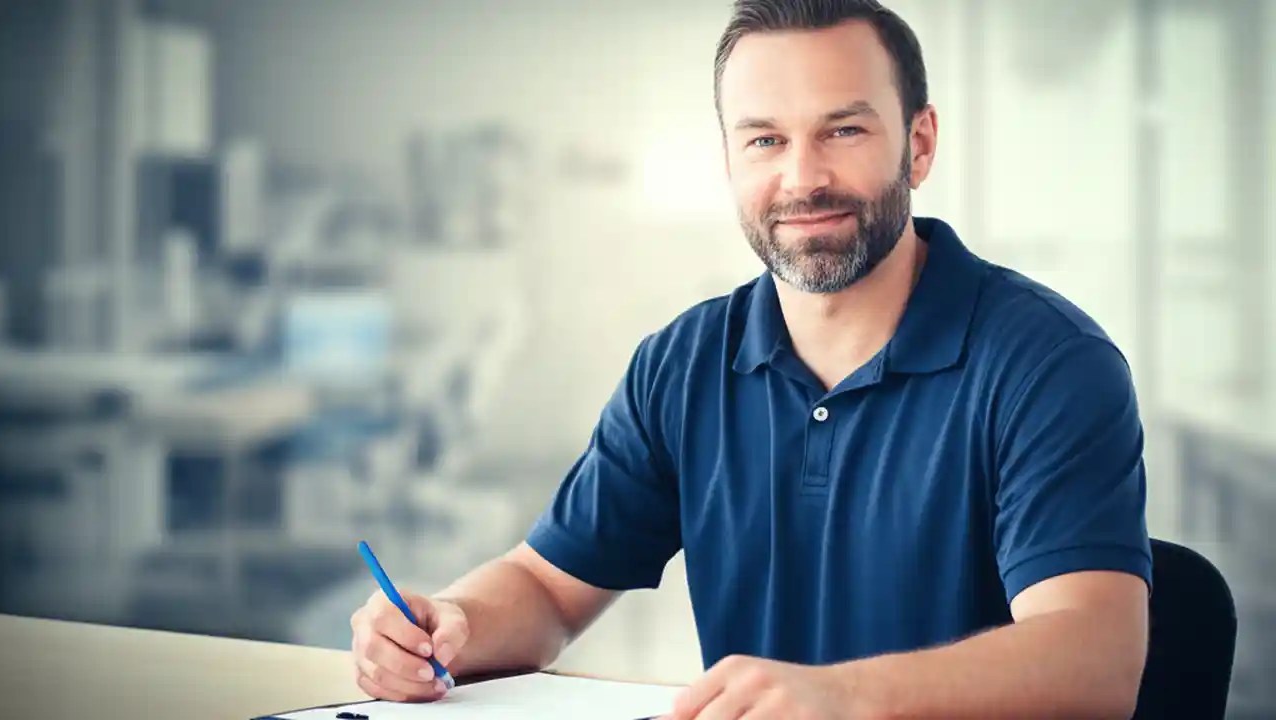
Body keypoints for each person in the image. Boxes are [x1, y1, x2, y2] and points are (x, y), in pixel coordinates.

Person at [350, 1, 1152, 717]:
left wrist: (844, 697)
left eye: (844, 130)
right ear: (731, 161)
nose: (802, 178)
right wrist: (452, 623)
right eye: (765, 139)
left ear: (919, 143)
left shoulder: (1050, 364)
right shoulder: (682, 364)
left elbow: (1095, 660)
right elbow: (547, 588)